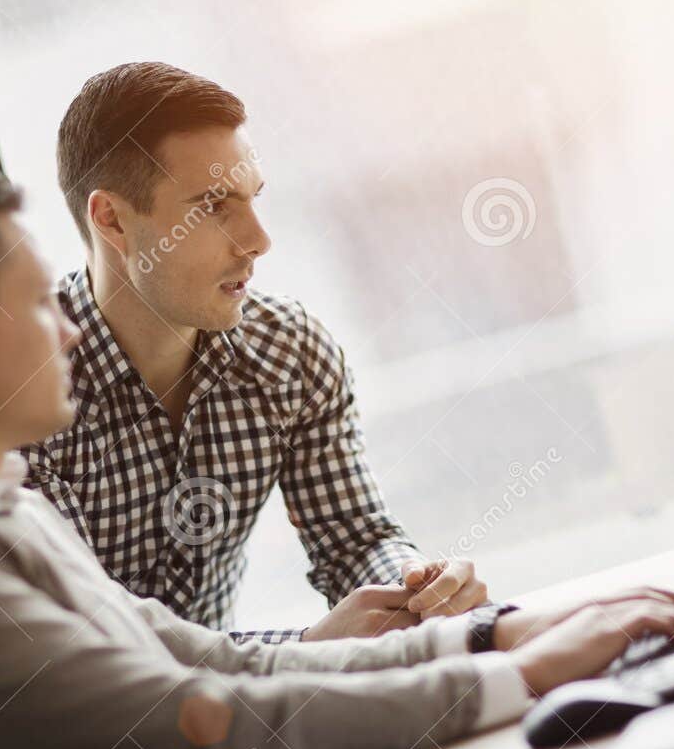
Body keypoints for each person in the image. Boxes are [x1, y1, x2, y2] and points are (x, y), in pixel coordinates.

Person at [0, 167, 674, 749]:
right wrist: (530, 675)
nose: (65, 330)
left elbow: (218, 660)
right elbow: (198, 730)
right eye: (33, 302)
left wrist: (493, 636)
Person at [24, 61, 485, 642]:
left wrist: (417, 589)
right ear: (112, 219)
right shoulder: (16, 392)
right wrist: (307, 651)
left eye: (252, 199)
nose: (259, 241)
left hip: (240, 715)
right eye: (213, 206)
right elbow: (90, 652)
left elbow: (354, 542)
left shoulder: (289, 353)